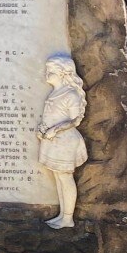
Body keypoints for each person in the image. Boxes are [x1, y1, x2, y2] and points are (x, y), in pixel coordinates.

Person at [36, 54, 88, 229]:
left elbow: (76, 120)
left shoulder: (71, 94)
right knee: (58, 178)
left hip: (65, 141)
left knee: (65, 177)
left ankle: (68, 218)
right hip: (53, 141)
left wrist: (55, 129)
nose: (46, 74)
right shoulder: (55, 92)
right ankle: (62, 215)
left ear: (63, 73)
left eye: (51, 71)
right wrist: (43, 129)